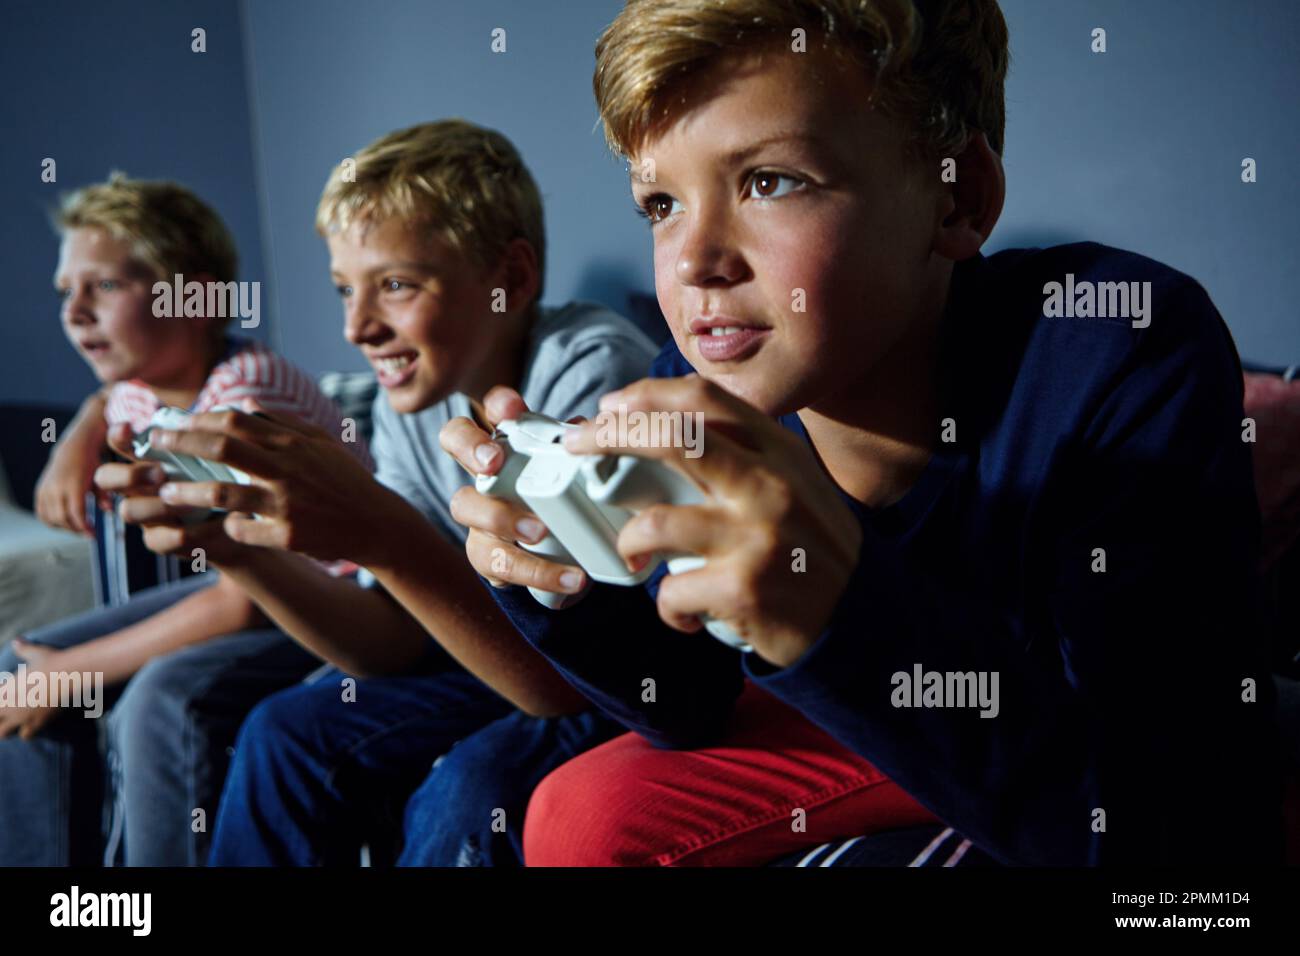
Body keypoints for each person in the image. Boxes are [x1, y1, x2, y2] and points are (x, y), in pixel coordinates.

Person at [442, 0, 1279, 866]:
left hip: (1070, 720)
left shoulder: (1121, 347)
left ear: (960, 199)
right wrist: (569, 574)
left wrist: (839, 611)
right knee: (569, 810)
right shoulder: (694, 388)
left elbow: (1182, 840)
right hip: (887, 718)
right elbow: (688, 700)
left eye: (769, 181)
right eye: (661, 202)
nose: (694, 261)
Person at [1, 173, 366, 865]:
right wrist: (82, 428)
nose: (75, 313)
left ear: (194, 299)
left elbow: (246, 598)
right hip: (248, 589)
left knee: (157, 700)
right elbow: (116, 395)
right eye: (65, 292)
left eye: (103, 287)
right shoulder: (149, 384)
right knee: (14, 667)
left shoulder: (245, 399)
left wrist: (74, 670)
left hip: (328, 603)